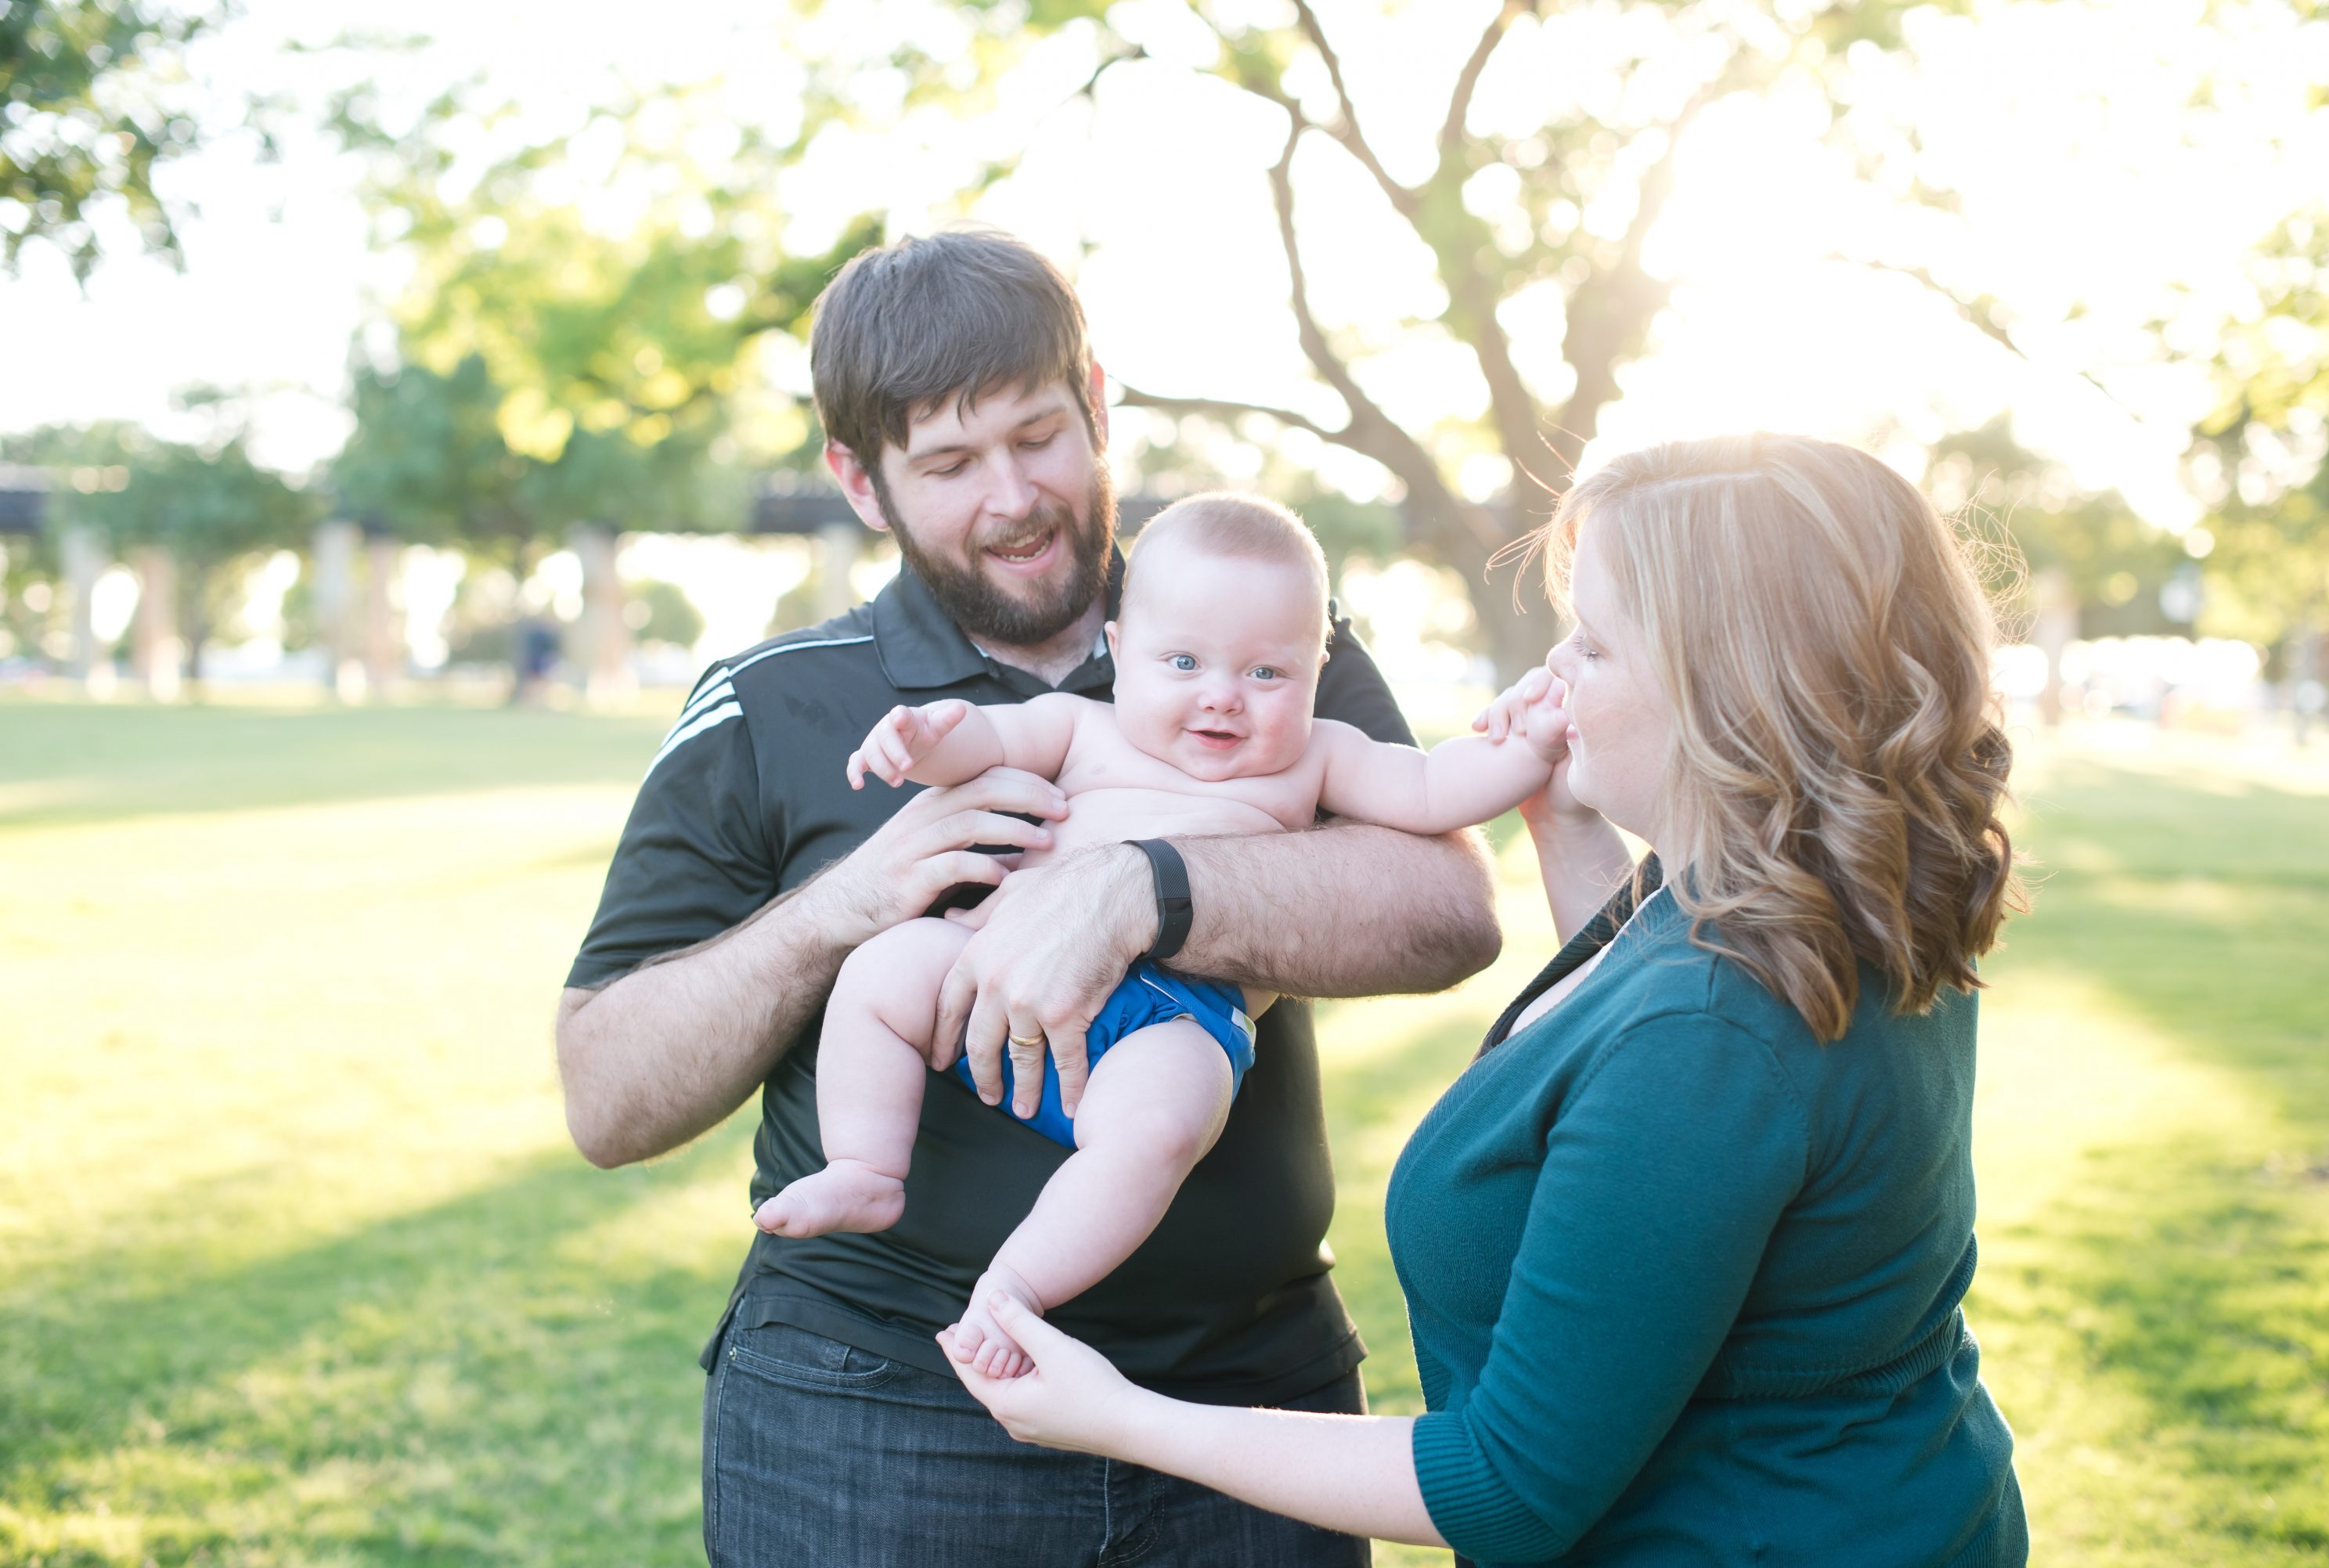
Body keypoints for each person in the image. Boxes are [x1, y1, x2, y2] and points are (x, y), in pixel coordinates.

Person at [554, 229, 1535, 1568]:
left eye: (1039, 436)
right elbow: (609, 1098)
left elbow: (1446, 912)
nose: (1014, 497)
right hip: (877, 1410)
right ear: (859, 478)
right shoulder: (773, 699)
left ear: (1099, 405)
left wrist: (1150, 888)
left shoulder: (1255, 629)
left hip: (1242, 1402)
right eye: (951, 465)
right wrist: (848, 905)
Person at [943, 432, 2033, 1567]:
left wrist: (1121, 1416)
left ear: (1731, 687)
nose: (1557, 671)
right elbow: (1647, 1047)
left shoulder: (1717, 1027)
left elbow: (1509, 1482)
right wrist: (1561, 817)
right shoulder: (1818, 902)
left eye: (1597, 643)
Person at [759, 492, 1573, 1381]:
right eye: (1183, 661)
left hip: (1174, 1015)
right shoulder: (1082, 727)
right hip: (995, 967)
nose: (1222, 696)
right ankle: (867, 1163)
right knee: (881, 973)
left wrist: (1524, 743)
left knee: (1154, 1130)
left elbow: (1431, 790)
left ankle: (1016, 1288)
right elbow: (985, 741)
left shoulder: (1321, 755)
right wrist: (924, 740)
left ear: (1318, 664)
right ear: (1119, 652)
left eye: (1267, 674)